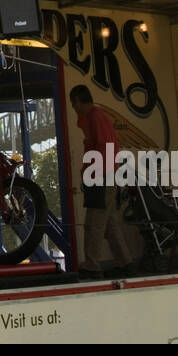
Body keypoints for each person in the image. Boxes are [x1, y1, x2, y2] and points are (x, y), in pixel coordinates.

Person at [69, 84, 134, 278]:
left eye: (74, 103)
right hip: (105, 175)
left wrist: (91, 172)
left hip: (102, 177)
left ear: (79, 101)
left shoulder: (95, 117)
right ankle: (126, 262)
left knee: (94, 223)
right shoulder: (96, 117)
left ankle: (92, 263)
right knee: (109, 222)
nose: (73, 107)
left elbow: (103, 147)